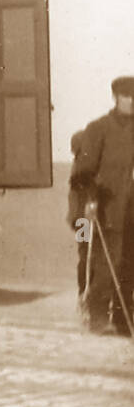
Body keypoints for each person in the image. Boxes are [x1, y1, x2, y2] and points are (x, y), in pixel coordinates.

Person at [68, 75, 134, 335]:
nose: (132, 101)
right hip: (105, 208)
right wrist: (92, 199)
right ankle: (96, 315)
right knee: (106, 261)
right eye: (127, 96)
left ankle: (123, 318)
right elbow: (83, 172)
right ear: (116, 98)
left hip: (131, 209)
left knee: (129, 264)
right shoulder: (99, 129)